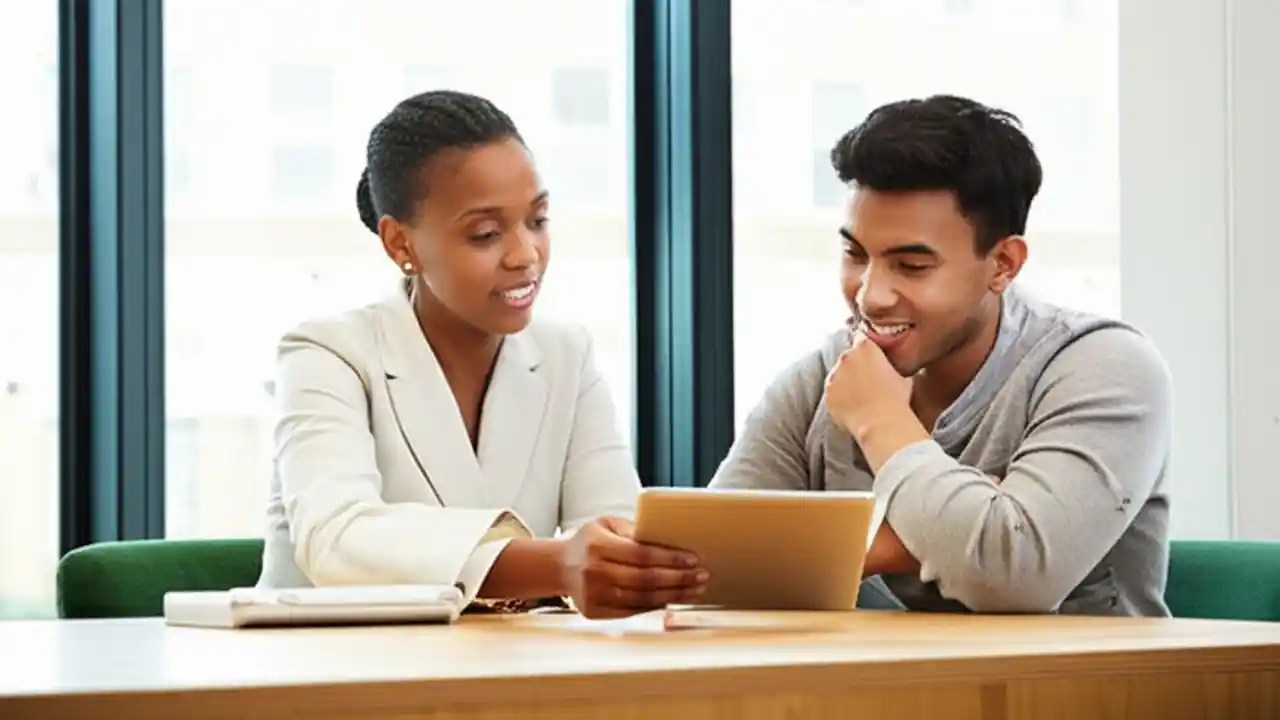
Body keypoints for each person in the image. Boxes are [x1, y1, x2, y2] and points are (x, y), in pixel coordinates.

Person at [711, 95, 1173, 616]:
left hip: (1080, 692)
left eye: (910, 266)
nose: (869, 295)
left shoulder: (1103, 367)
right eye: (856, 254)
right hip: (874, 691)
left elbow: (1013, 577)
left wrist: (878, 420)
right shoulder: (826, 373)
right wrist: (939, 532)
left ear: (1002, 264)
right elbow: (718, 561)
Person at [256, 91, 707, 618]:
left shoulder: (566, 354)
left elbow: (613, 523)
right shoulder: (328, 353)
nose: (525, 255)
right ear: (401, 244)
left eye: (537, 221)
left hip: (502, 678)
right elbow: (339, 538)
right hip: (327, 679)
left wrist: (621, 562)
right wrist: (560, 565)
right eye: (486, 234)